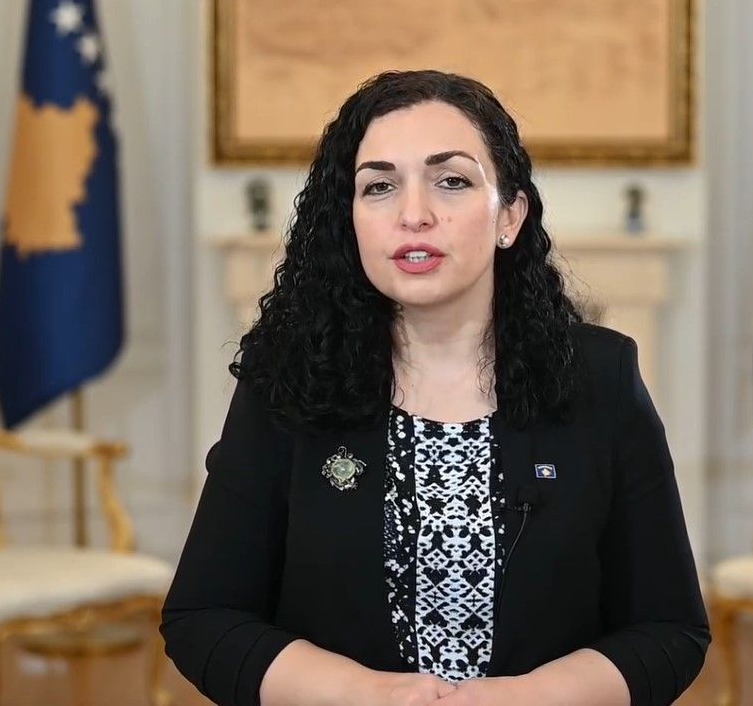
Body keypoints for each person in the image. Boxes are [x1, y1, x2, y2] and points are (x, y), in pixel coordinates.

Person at [162, 70, 709, 706]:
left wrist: (519, 699)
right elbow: (205, 618)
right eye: (379, 186)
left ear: (510, 216)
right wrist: (367, 694)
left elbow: (669, 630)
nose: (413, 214)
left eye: (451, 181)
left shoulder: (601, 376)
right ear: (350, 220)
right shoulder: (286, 378)